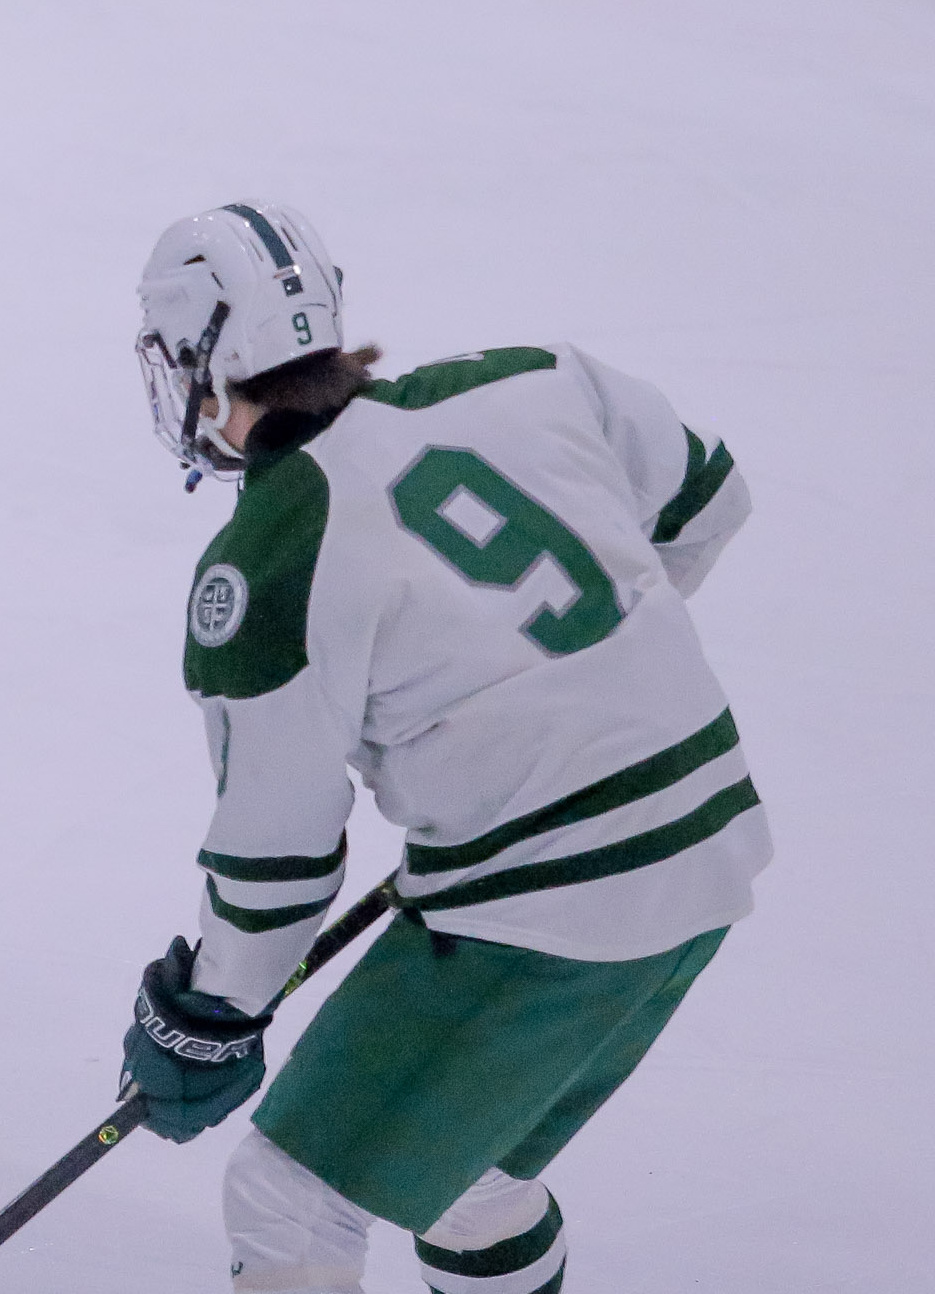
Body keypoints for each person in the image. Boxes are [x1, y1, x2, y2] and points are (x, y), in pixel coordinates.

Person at [117, 202, 765, 1293]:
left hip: (545, 914)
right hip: (709, 849)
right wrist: (580, 694)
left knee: (288, 1200)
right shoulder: (529, 376)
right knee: (459, 1176)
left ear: (203, 359)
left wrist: (212, 1010)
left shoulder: (270, 557)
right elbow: (709, 496)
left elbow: (278, 859)